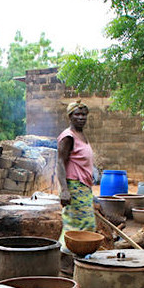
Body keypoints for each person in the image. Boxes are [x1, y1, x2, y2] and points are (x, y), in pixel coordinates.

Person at [57, 100, 96, 246]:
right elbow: (60, 162)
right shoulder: (68, 136)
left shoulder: (81, 135)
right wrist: (64, 190)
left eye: (84, 115)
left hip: (84, 187)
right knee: (79, 226)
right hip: (74, 186)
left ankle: (74, 258)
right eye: (77, 114)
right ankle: (67, 257)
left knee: (83, 225)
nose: (81, 118)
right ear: (70, 116)